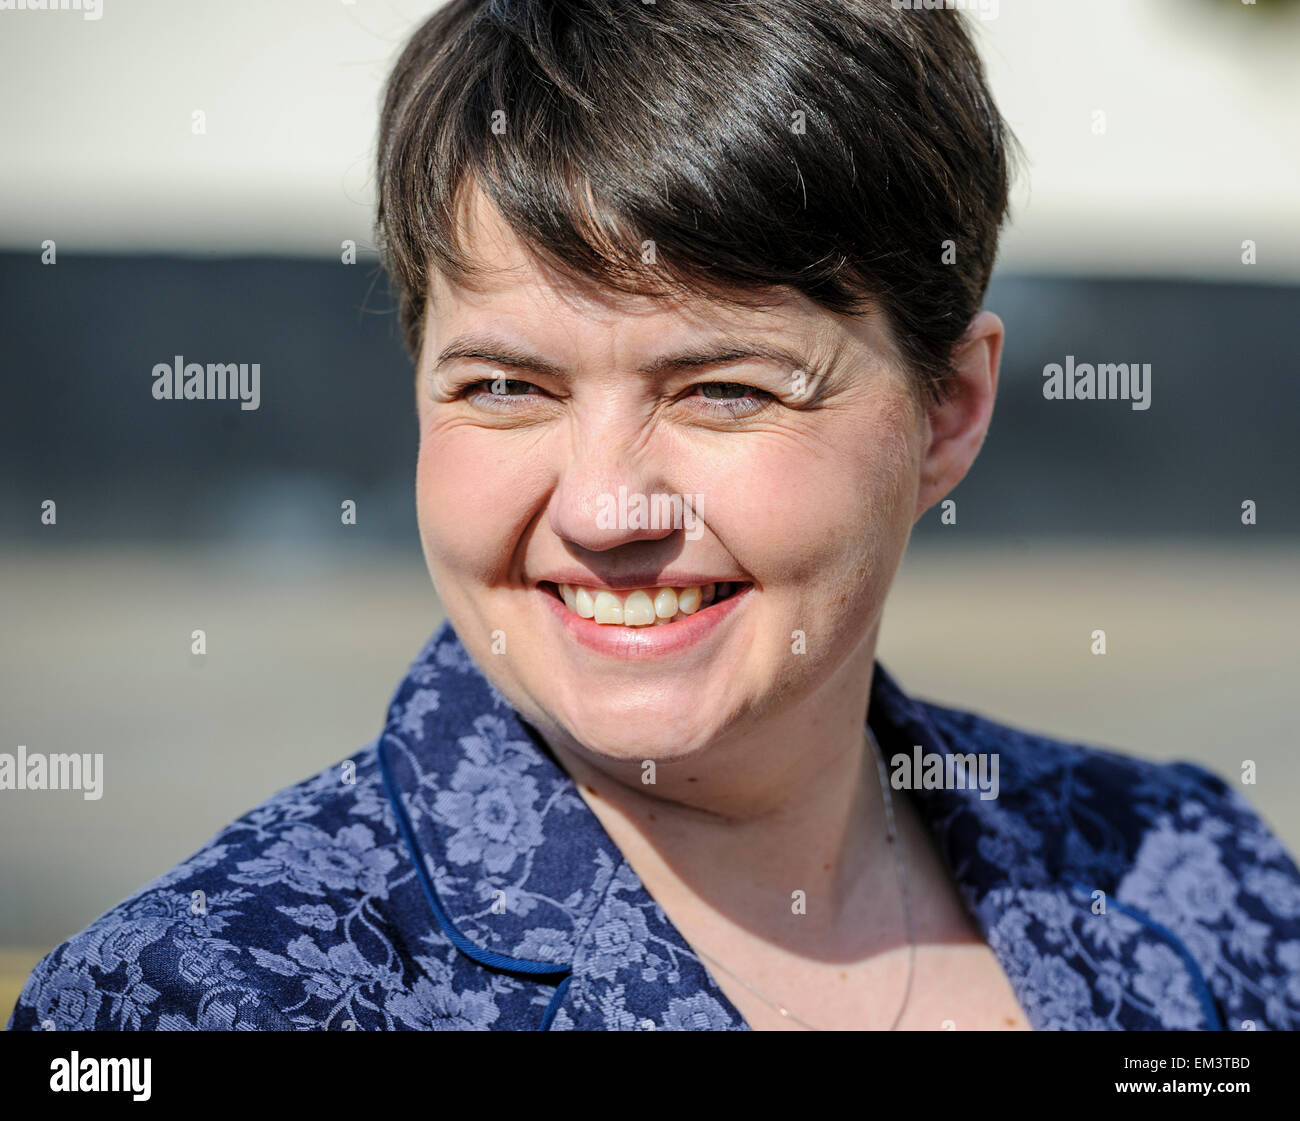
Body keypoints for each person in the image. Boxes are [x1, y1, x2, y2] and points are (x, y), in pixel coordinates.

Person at [11, 0, 1300, 1031]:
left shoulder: (1183, 879)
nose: (607, 508)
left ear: (949, 410)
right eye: (506, 387)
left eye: (725, 389)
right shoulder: (211, 997)